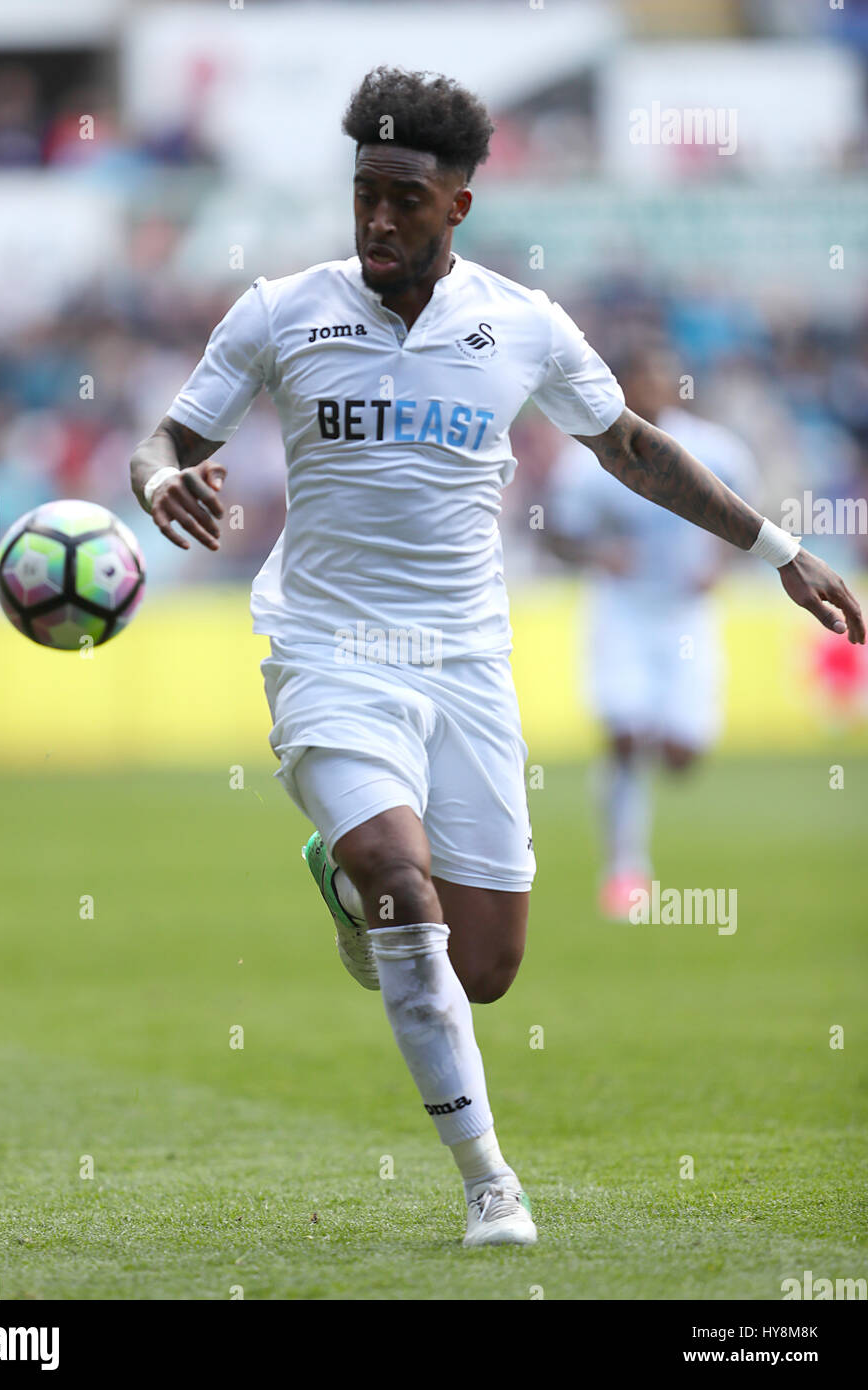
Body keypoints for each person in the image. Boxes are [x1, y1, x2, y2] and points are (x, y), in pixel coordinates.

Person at [129, 67, 864, 1248]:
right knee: (408, 892)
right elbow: (168, 434)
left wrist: (778, 547)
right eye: (363, 193)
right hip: (327, 648)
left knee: (488, 967)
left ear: (456, 206)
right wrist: (164, 477)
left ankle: (346, 877)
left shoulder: (522, 324)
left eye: (403, 200)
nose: (376, 218)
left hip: (465, 663)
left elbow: (627, 443)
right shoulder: (278, 310)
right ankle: (491, 1184)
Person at [545, 342, 757, 917]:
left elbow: (751, 519)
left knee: (683, 752)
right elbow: (556, 532)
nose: (651, 390)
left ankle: (648, 751)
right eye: (640, 380)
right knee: (623, 732)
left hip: (687, 616)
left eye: (661, 379)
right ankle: (624, 868)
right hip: (622, 612)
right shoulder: (590, 457)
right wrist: (597, 554)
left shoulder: (715, 449)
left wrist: (719, 562)